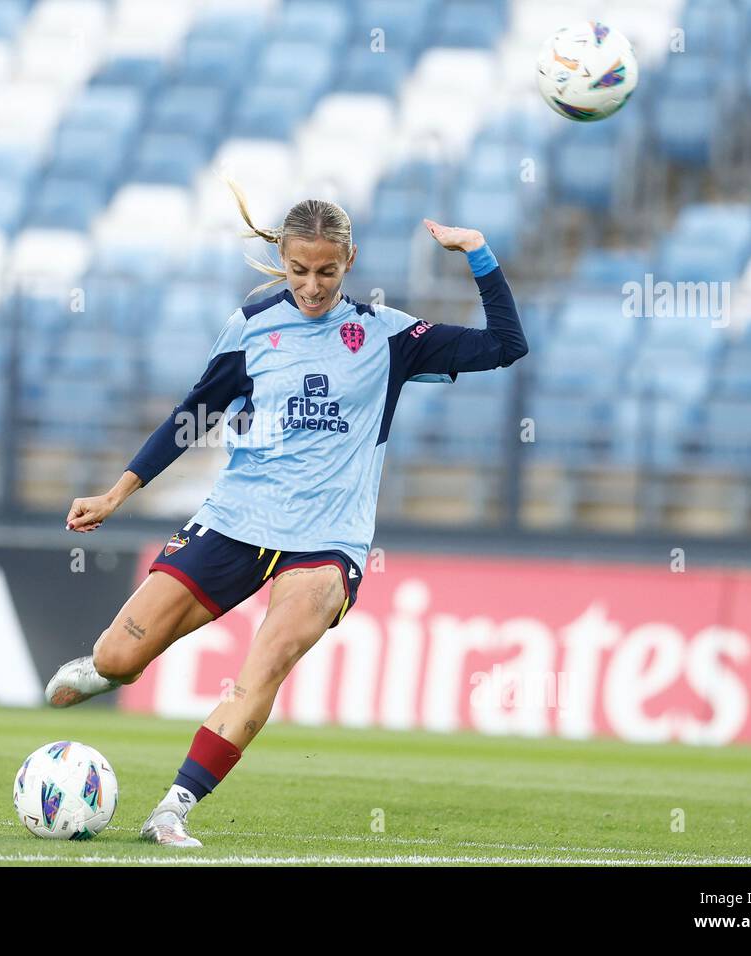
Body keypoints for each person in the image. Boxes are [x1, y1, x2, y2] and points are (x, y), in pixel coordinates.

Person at [43, 180, 527, 846]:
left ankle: (172, 809)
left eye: (327, 271)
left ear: (348, 262)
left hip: (327, 543)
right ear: (283, 258)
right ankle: (104, 670)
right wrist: (116, 494)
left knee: (263, 666)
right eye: (299, 269)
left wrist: (477, 252)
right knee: (123, 656)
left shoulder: (389, 337)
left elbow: (506, 344)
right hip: (237, 520)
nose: (312, 284)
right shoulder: (253, 326)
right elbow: (194, 416)